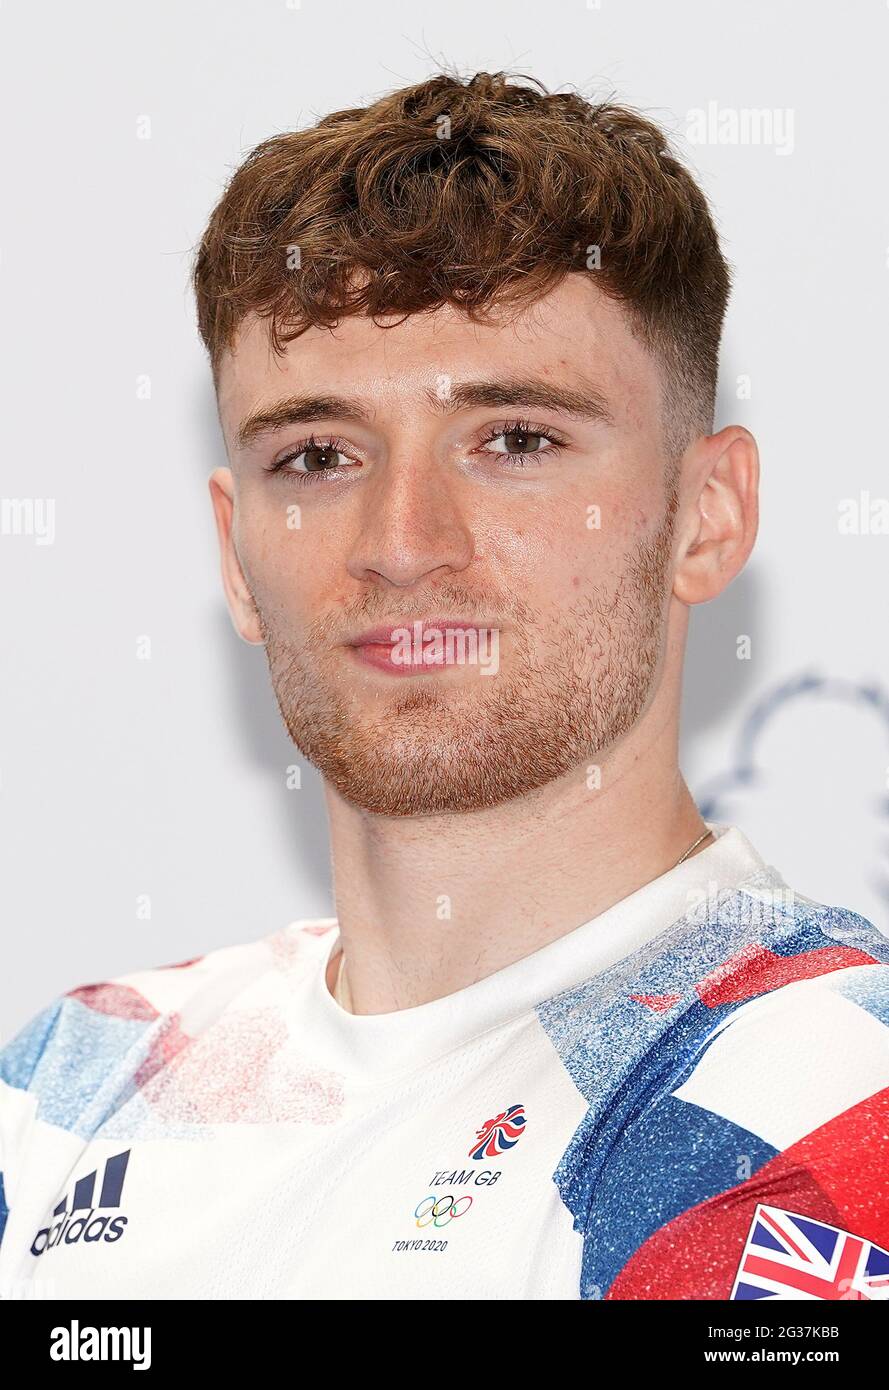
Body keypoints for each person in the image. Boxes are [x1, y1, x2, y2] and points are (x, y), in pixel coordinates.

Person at [2, 70, 887, 1302]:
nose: (403, 539)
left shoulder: (823, 1095)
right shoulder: (70, 1084)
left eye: (515, 440)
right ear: (234, 550)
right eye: (316, 454)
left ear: (707, 514)